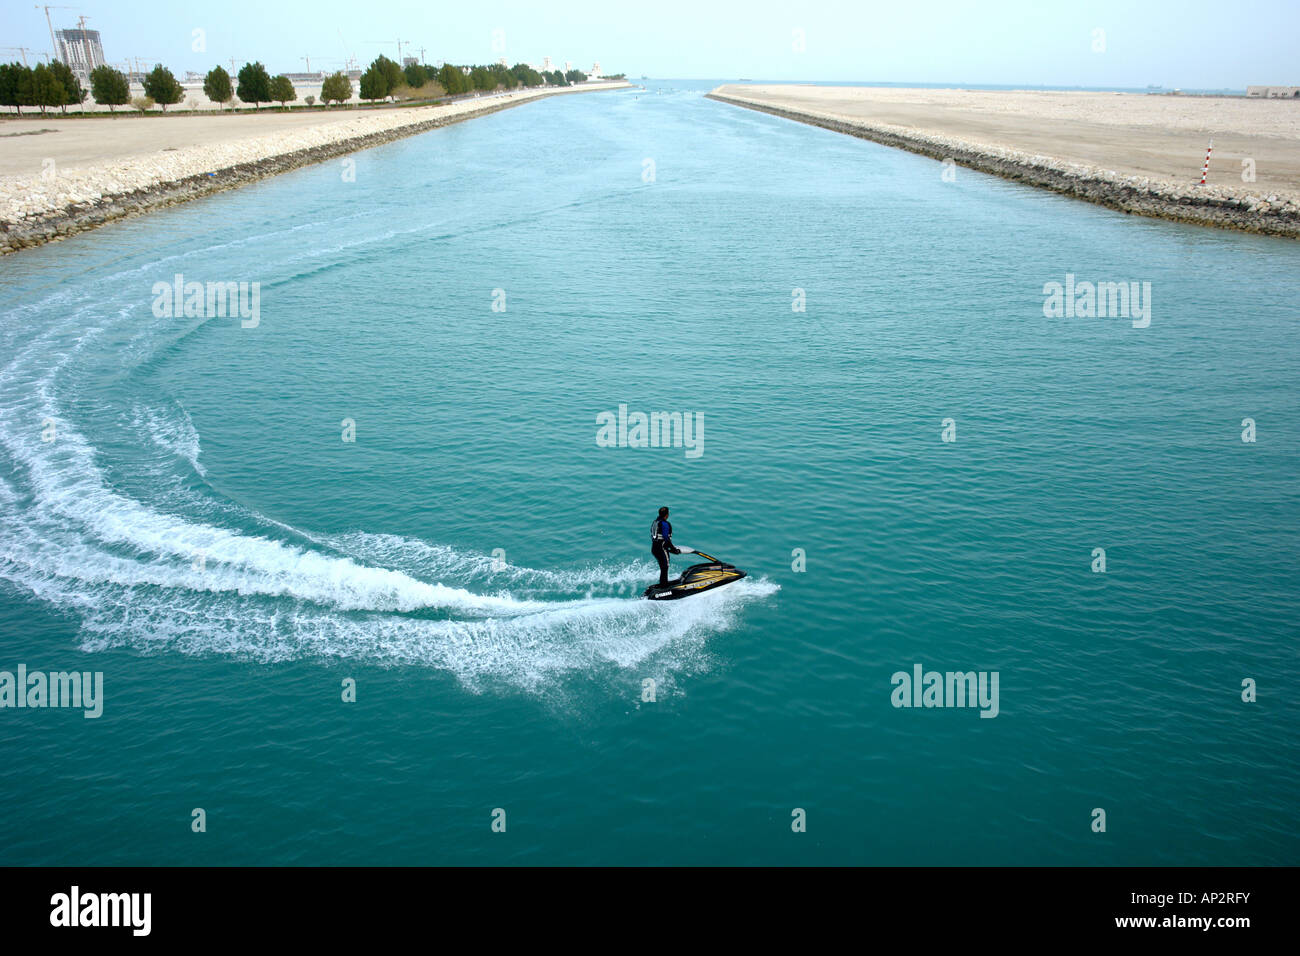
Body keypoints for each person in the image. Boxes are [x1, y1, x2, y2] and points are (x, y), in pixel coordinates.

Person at [650, 506, 679, 586]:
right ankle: (664, 586)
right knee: (665, 567)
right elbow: (666, 538)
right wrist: (673, 549)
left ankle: (663, 583)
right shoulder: (665, 524)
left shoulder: (655, 522)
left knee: (663, 567)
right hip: (662, 549)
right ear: (667, 515)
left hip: (654, 549)